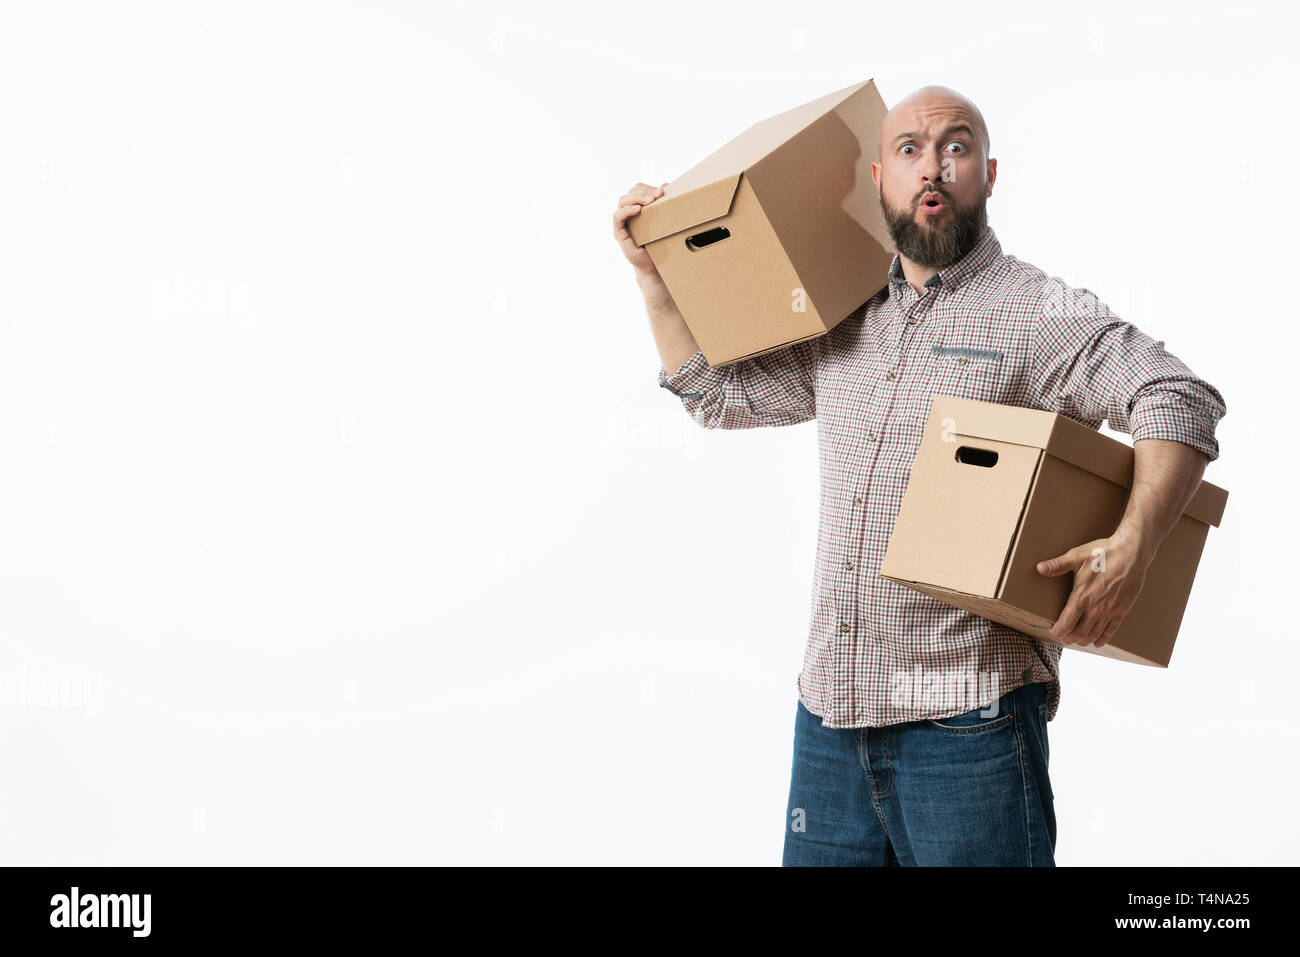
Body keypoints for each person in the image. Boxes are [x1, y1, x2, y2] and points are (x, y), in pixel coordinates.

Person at [611, 85, 1226, 866]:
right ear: (878, 179)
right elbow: (717, 394)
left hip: (968, 729)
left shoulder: (1036, 312)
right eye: (908, 150)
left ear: (989, 173)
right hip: (829, 723)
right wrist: (654, 283)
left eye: (955, 146)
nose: (931, 166)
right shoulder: (845, 317)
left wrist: (1134, 548)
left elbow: (1177, 398)